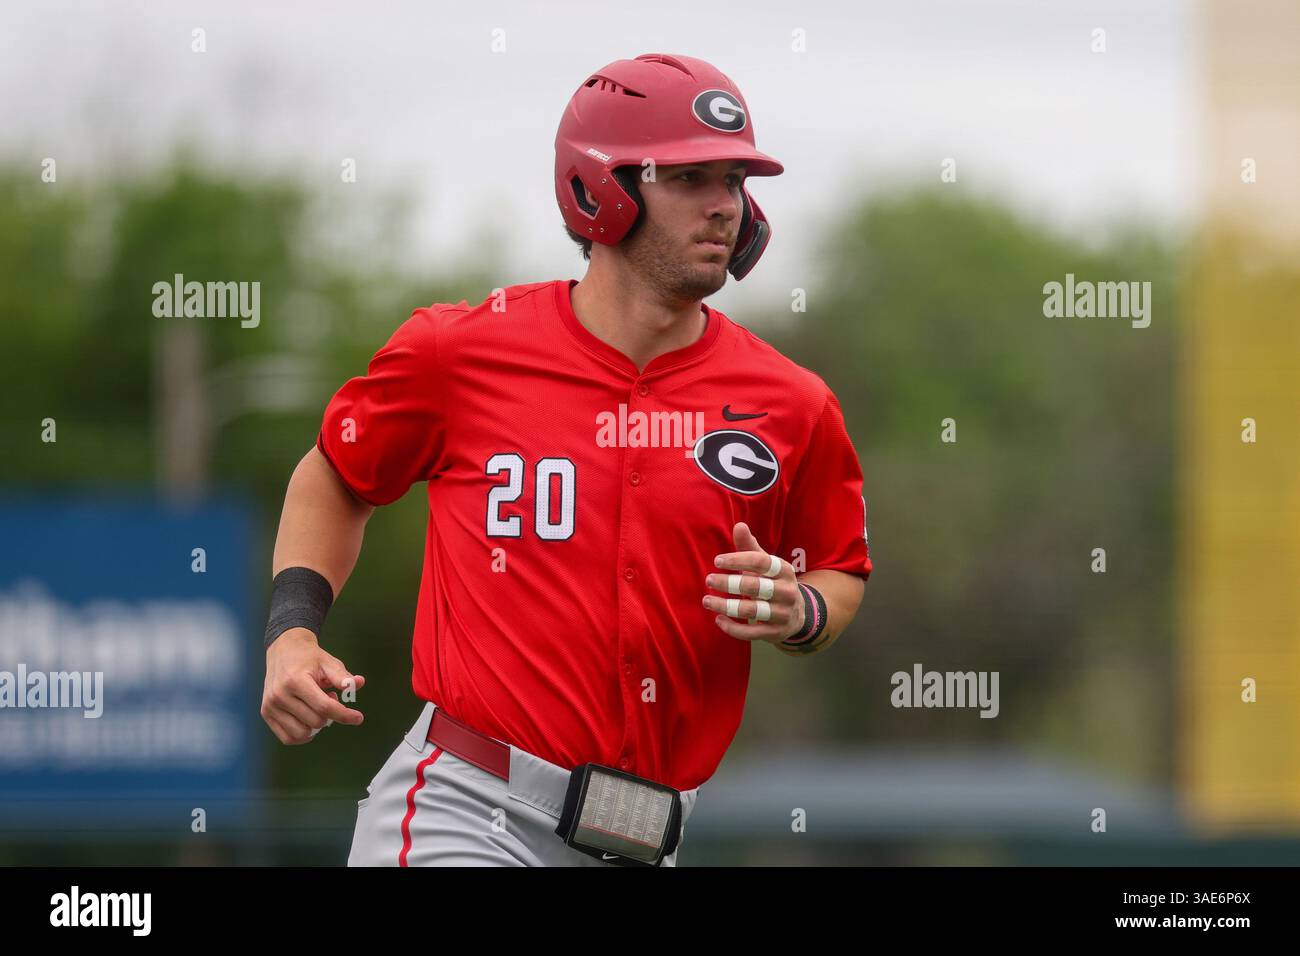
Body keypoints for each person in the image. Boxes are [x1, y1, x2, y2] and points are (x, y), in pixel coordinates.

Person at [261, 52, 872, 867]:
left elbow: (839, 568)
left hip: (646, 839)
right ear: (599, 189)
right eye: (689, 178)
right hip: (469, 812)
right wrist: (292, 636)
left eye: (733, 179)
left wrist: (801, 612)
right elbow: (339, 473)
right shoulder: (461, 352)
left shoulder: (793, 402)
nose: (724, 205)